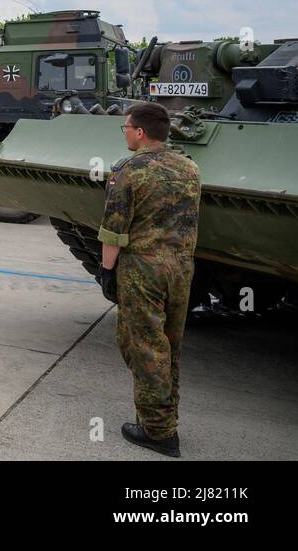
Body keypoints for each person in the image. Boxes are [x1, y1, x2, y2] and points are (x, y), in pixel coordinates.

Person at [98, 101, 201, 457]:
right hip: (181, 268)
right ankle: (166, 418)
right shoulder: (190, 167)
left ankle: (157, 431)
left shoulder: (128, 170)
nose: (124, 133)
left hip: (142, 269)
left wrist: (107, 271)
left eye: (125, 127)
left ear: (140, 132)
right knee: (169, 345)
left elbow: (114, 230)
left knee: (143, 345)